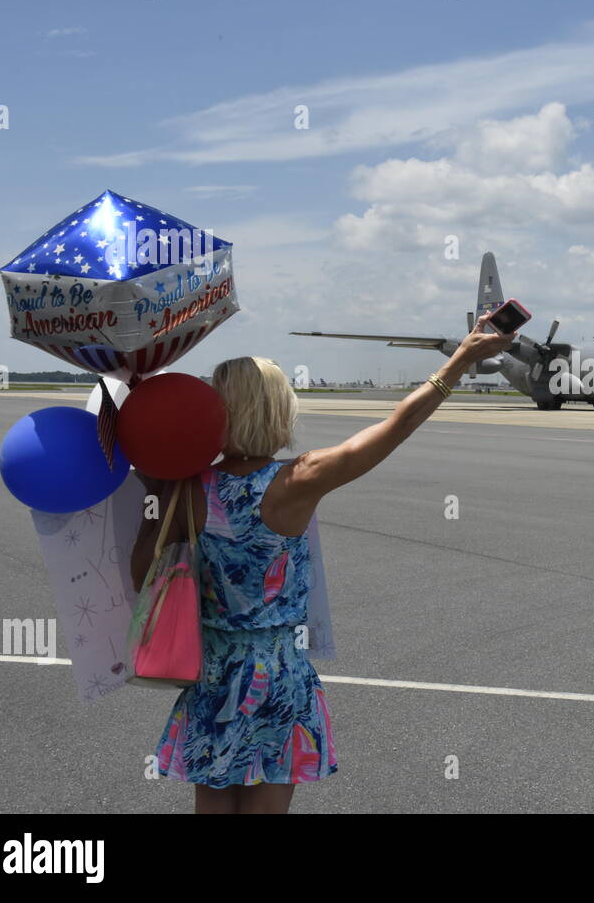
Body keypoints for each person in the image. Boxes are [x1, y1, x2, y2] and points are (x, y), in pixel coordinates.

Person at [130, 315, 515, 813]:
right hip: (276, 672)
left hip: (213, 671)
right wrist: (460, 360)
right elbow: (396, 425)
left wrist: (155, 487)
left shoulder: (185, 486)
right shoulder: (298, 479)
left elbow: (144, 579)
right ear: (275, 410)